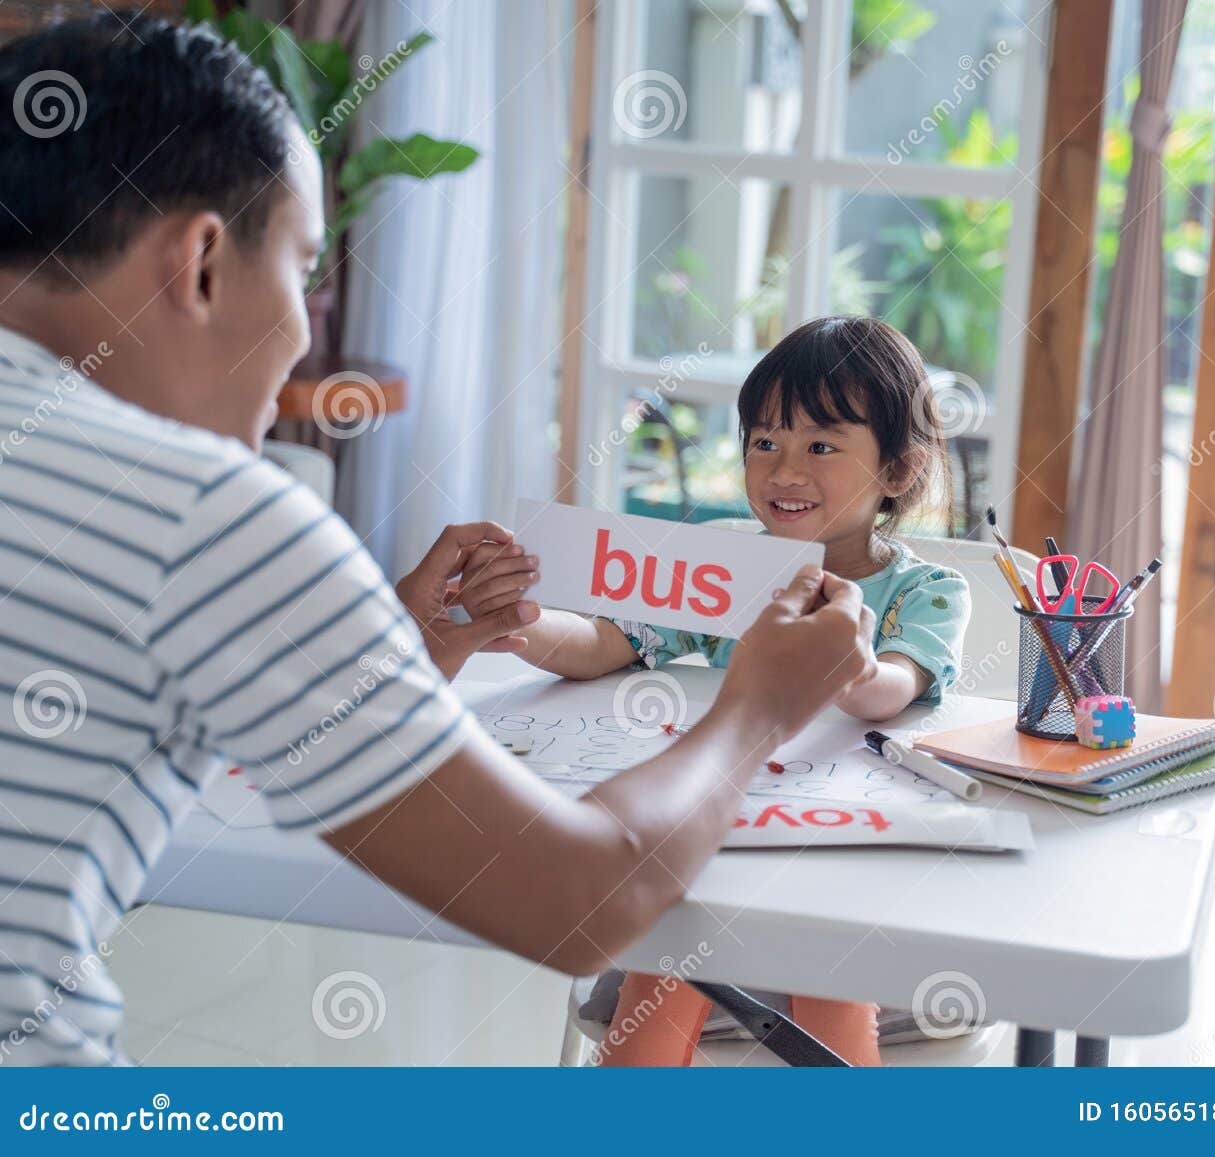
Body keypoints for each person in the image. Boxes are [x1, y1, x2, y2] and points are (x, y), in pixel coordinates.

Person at [0, 14, 873, 1067]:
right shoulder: (206, 511)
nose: (299, 331)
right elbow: (577, 901)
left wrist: (391, 652)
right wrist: (757, 707)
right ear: (200, 260)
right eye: (306, 267)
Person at [458, 315, 972, 1066]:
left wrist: (849, 665)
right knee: (672, 918)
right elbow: (611, 641)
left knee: (822, 957)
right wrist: (522, 625)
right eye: (765, 442)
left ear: (897, 471)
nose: (784, 470)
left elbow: (894, 687)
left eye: (821, 446)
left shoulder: (925, 590)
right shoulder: (729, 561)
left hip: (838, 871)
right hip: (715, 855)